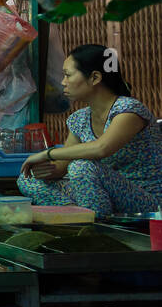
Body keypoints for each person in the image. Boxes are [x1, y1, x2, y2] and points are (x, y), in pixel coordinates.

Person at [17, 44, 162, 216]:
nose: (63, 82)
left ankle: (95, 223)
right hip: (100, 195)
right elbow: (62, 168)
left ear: (94, 78)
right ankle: (78, 214)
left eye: (68, 75)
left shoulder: (128, 110)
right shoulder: (80, 119)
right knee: (27, 180)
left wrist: (47, 154)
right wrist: (44, 171)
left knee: (82, 167)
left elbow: (101, 148)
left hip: (146, 200)